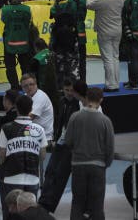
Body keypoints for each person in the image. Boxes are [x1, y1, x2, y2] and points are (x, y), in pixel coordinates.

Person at [64, 87, 114, 220]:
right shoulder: (105, 121)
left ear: (86, 98)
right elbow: (110, 146)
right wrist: (105, 163)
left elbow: (67, 140)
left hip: (78, 165)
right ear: (101, 100)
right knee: (97, 204)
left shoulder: (75, 117)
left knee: (77, 202)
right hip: (98, 166)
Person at [0, 95, 47, 220]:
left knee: (11, 214)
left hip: (11, 179)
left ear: (16, 108)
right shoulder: (40, 130)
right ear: (31, 108)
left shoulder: (6, 128)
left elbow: (1, 155)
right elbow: (43, 156)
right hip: (32, 179)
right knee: (30, 215)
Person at [38, 78, 84, 213]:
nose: (69, 93)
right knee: (50, 171)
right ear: (63, 89)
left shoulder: (79, 104)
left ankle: (48, 205)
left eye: (71, 90)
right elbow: (59, 121)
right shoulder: (62, 101)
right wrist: (55, 138)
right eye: (66, 90)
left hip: (71, 145)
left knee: (59, 174)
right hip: (60, 142)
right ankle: (43, 201)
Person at [87, 0, 124, 92]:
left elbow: (89, 4)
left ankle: (110, 85)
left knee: (107, 58)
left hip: (105, 32)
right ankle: (116, 83)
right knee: (115, 57)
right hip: (117, 30)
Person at [1, 0, 32, 90]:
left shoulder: (5, 10)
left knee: (10, 67)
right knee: (25, 67)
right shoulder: (26, 9)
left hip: (10, 42)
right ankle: (26, 85)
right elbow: (28, 22)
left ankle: (14, 86)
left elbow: (4, 21)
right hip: (24, 42)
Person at [50, 0, 79, 87]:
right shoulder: (72, 3)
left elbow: (52, 15)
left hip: (58, 39)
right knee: (71, 63)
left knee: (59, 64)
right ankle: (72, 84)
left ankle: (61, 86)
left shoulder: (54, 8)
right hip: (71, 38)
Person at [20, 74, 53, 142]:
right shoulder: (26, 96)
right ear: (22, 88)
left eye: (31, 84)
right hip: (32, 135)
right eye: (25, 86)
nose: (29, 87)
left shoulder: (40, 96)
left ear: (36, 84)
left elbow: (29, 117)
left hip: (44, 138)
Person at [67, 0, 88, 81]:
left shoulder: (68, 1)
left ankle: (71, 83)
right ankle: (83, 81)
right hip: (82, 35)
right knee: (82, 61)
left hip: (71, 36)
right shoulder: (83, 0)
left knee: (70, 61)